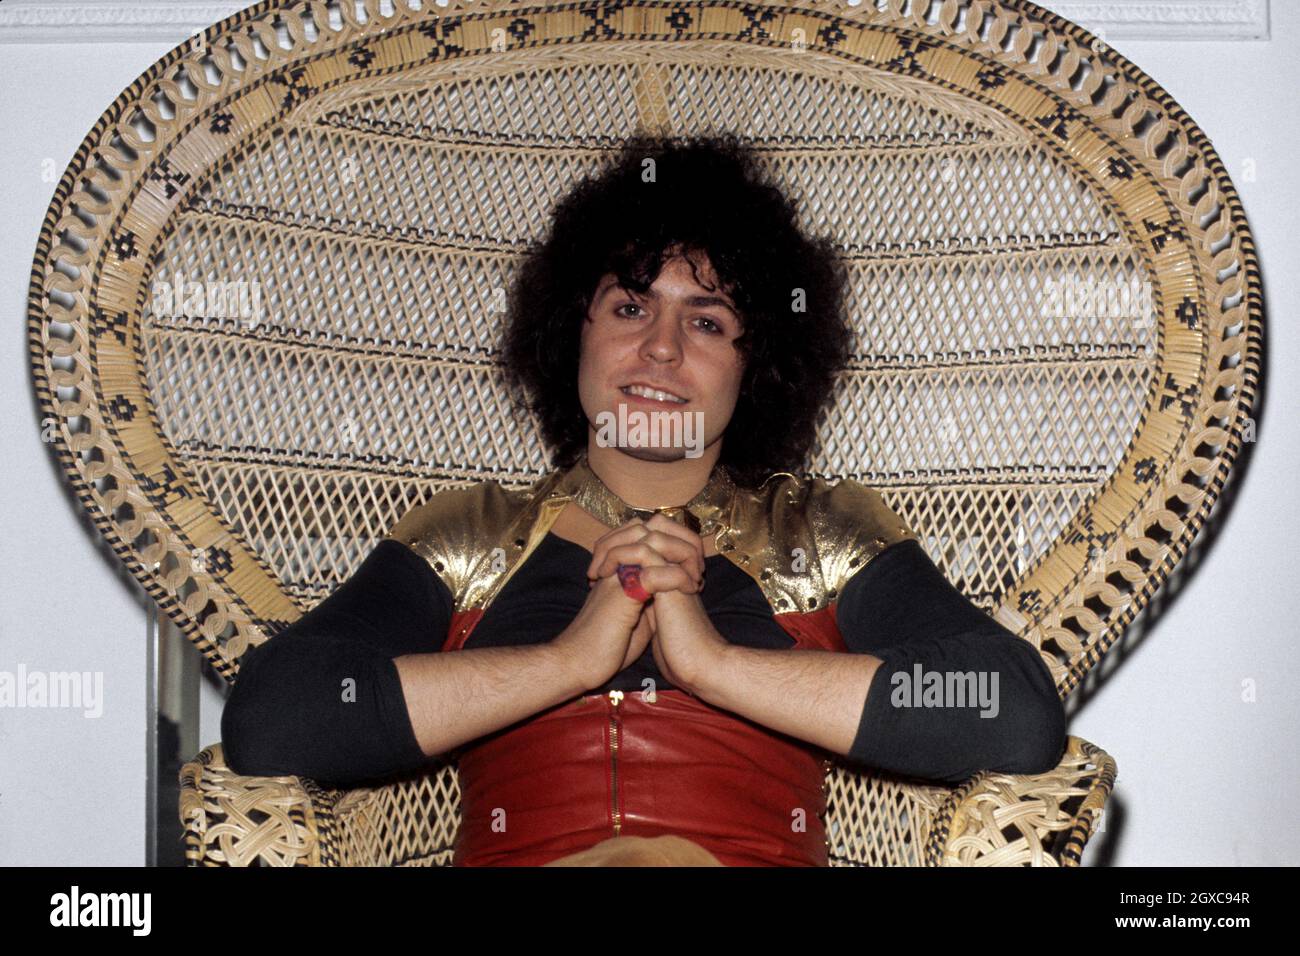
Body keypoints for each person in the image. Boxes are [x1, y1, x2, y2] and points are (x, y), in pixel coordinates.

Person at [220, 133, 1067, 867]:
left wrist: (716, 667)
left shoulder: (818, 533)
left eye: (706, 322)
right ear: (570, 333)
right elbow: (276, 716)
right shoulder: (475, 535)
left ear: (755, 362)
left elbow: (1008, 709)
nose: (660, 349)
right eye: (630, 306)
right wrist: (568, 662)